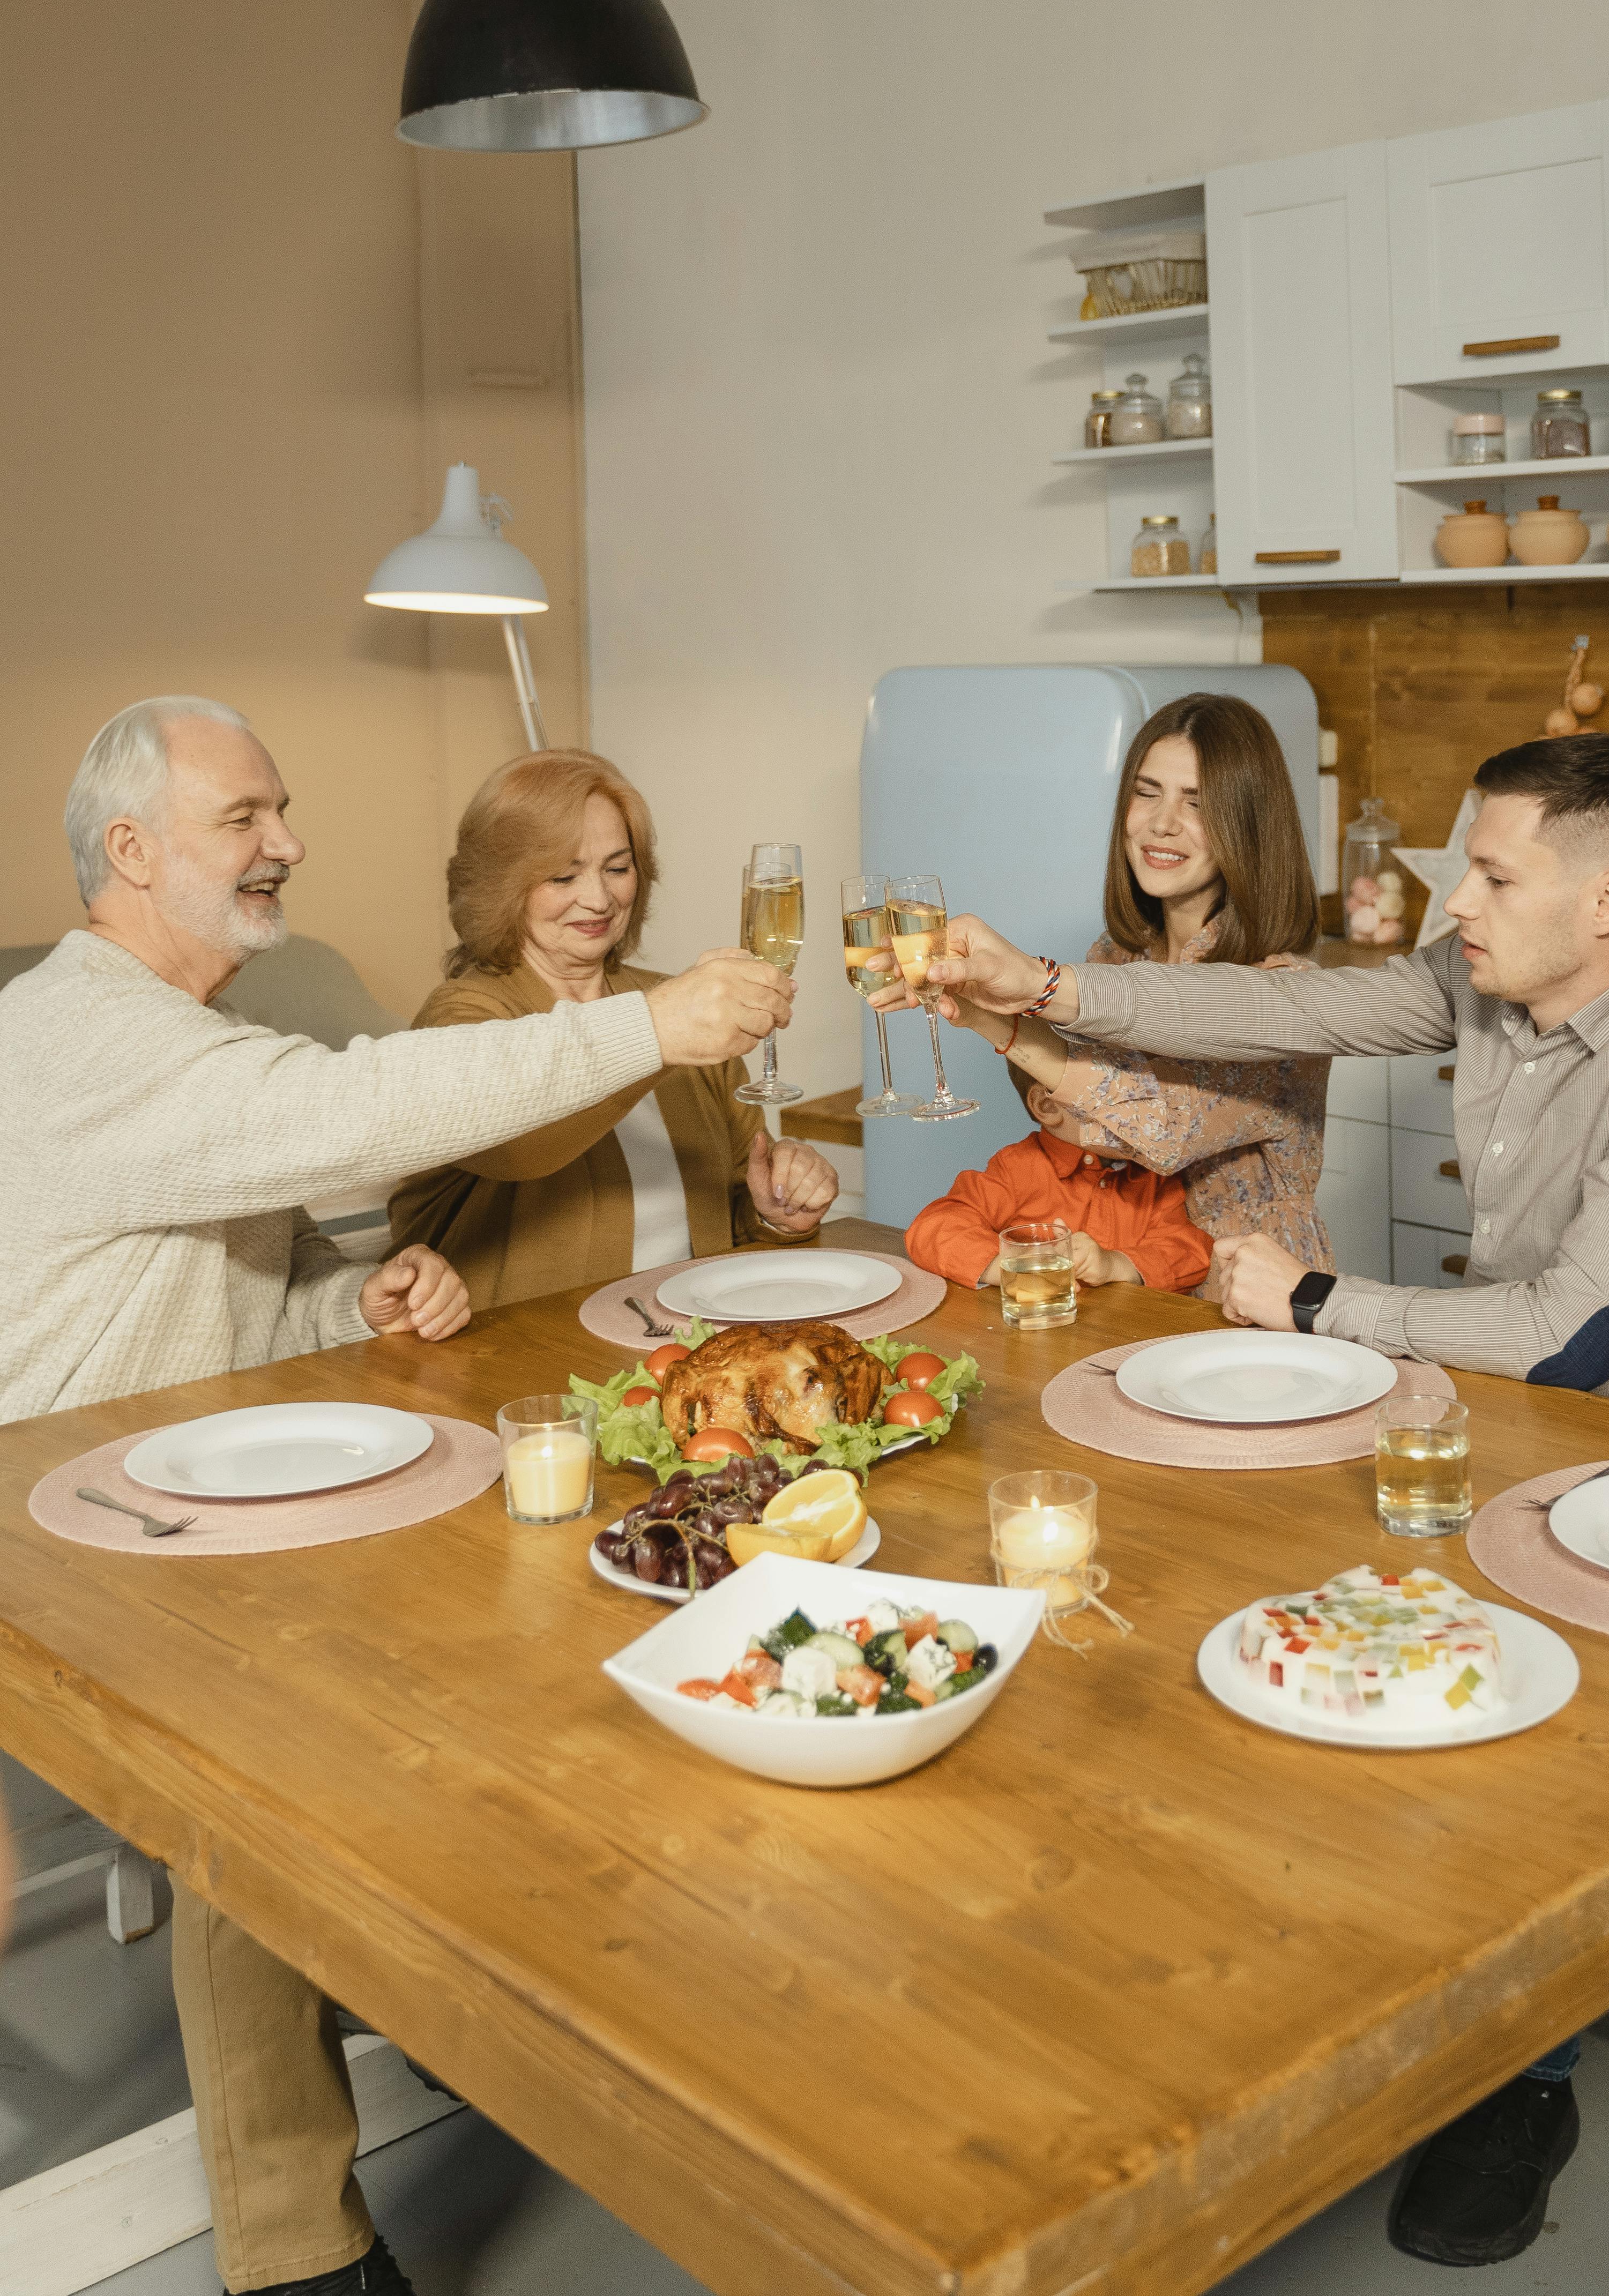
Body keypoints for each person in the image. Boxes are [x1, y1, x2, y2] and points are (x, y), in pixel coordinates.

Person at [904, 730, 1609, 2266]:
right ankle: (1370, 2007)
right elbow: (1282, 998)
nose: (1458, 903)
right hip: (1481, 1402)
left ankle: (1524, 2082)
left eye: (1490, 876)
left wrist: (1314, 1298)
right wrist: (1042, 986)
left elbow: (1576, 1334)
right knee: (1390, 1705)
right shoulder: (1484, 970)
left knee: (1539, 1770)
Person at [0, 697, 794, 2296]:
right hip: (51, 1526)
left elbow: (253, 1293)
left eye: (283, 808)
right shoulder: (88, 1032)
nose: (287, 842)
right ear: (135, 852)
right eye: (247, 818)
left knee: (478, 1627)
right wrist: (653, 1024)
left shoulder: (191, 1047)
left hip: (180, 1488)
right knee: (266, 1763)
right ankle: (295, 2251)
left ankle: (508, 2021)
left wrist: (351, 1312)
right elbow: (358, 1105)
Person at [390, 751, 836, 1304]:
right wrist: (662, 1036)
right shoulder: (462, 1017)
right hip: (523, 1366)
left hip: (681, 1351)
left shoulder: (679, 1003)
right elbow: (517, 1147)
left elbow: (737, 1226)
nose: (599, 898)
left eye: (617, 868)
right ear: (502, 885)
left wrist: (778, 1213)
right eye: (562, 875)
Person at [937, 691, 1333, 1280]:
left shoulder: (1282, 992)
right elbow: (1078, 1123)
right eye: (1146, 792)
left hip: (1245, 1297)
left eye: (1196, 803)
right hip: (1128, 1288)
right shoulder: (1116, 956)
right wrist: (965, 998)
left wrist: (993, 1018)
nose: (1161, 823)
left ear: (1248, 826)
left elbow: (1159, 1131)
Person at [905, 1059, 1212, 1293]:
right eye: (1124, 1099)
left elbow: (1189, 1249)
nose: (1152, 1115)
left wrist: (1114, 1264)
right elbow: (933, 1227)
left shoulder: (1153, 1175)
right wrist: (1012, 1267)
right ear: (1047, 1106)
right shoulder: (1017, 1168)